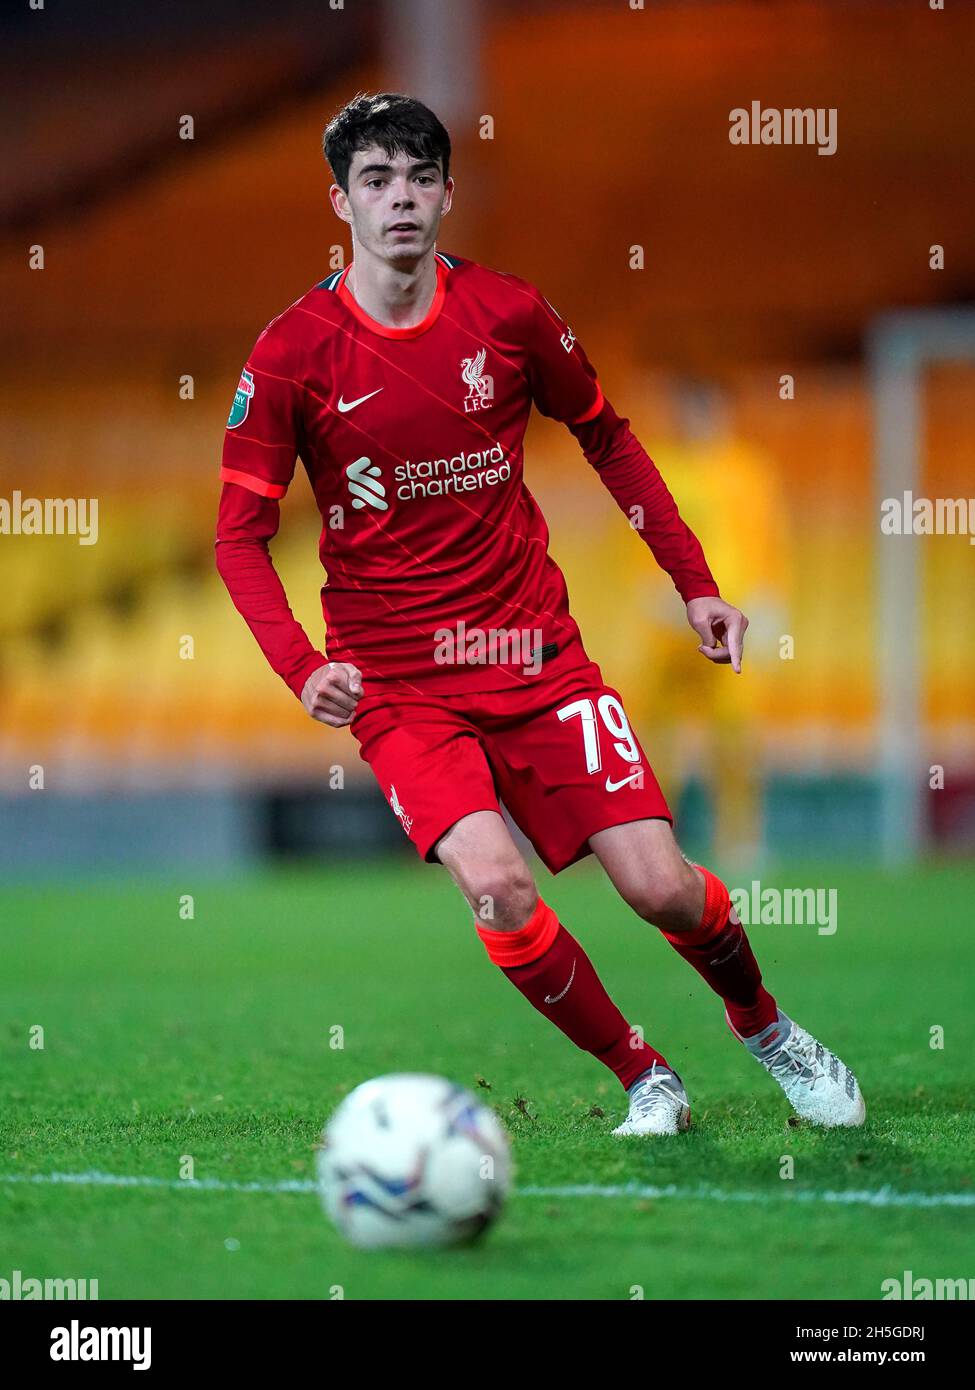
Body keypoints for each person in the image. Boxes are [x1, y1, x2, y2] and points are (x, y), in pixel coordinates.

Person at [215, 92, 864, 1135]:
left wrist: (696, 578)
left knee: (659, 885)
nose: (401, 200)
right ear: (339, 201)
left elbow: (606, 435)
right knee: (499, 888)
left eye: (420, 178)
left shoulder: (509, 314)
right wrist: (300, 667)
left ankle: (767, 1026)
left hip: (535, 656)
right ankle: (643, 1071)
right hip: (400, 683)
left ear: (447, 193)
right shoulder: (292, 354)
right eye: (376, 181)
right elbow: (237, 536)